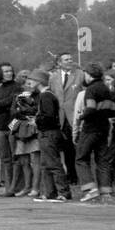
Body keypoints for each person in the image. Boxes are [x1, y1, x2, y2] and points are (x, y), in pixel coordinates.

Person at [75, 63, 115, 203]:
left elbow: (91, 108)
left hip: (90, 128)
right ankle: (106, 192)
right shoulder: (105, 88)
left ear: (88, 74)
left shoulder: (91, 89)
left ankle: (90, 189)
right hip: (104, 128)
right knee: (102, 160)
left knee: (81, 158)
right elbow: (112, 108)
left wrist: (81, 117)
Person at [33, 68, 70, 202]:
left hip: (48, 133)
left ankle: (63, 192)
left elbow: (48, 116)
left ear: (39, 81)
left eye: (33, 80)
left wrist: (36, 120)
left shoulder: (46, 95)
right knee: (45, 164)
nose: (30, 83)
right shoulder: (46, 95)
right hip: (46, 133)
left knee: (53, 164)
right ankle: (49, 192)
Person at [49, 53, 84, 184]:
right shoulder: (53, 77)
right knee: (67, 149)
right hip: (61, 118)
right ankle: (72, 177)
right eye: (66, 59)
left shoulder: (80, 74)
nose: (70, 61)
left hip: (76, 116)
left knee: (79, 148)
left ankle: (82, 177)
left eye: (71, 58)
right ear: (59, 63)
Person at [0, 62, 22, 195]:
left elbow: (13, 101)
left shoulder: (18, 87)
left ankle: (17, 187)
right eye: (6, 71)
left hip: (13, 125)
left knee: (16, 157)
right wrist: (1, 104)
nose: (9, 73)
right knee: (5, 159)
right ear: (0, 74)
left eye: (10, 71)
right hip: (1, 126)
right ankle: (9, 187)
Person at [9, 74, 42, 198]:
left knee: (36, 159)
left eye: (31, 83)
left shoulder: (39, 96)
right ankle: (27, 187)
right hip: (21, 129)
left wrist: (23, 111)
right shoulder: (18, 96)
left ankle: (36, 188)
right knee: (23, 160)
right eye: (27, 84)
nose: (30, 86)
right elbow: (13, 112)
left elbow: (36, 111)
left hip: (34, 129)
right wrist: (23, 113)